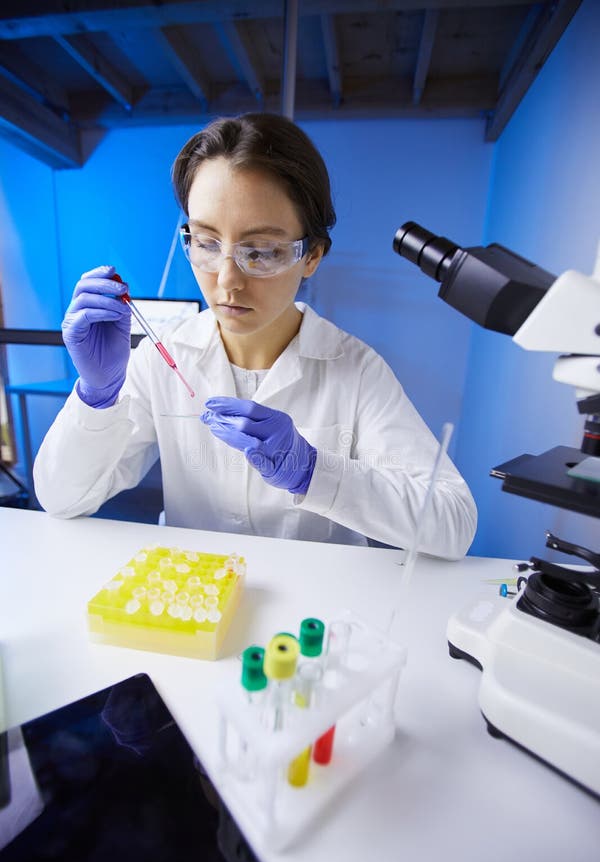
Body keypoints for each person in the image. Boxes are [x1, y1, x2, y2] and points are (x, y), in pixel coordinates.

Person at [33, 112, 477, 558]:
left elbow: (454, 522)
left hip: (316, 612)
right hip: (199, 607)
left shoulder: (356, 370)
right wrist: (96, 397)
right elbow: (63, 498)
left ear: (312, 256)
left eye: (261, 252)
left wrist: (313, 473)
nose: (227, 281)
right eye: (206, 243)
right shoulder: (160, 359)